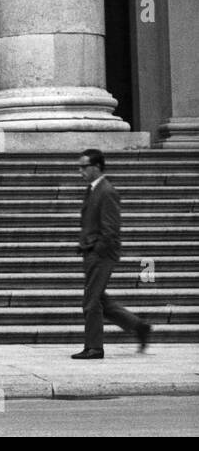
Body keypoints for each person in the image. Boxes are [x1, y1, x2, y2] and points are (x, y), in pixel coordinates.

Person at [72, 148, 151, 359]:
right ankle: (139, 326)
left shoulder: (107, 191)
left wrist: (97, 250)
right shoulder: (93, 189)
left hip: (101, 255)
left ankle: (94, 347)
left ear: (97, 167)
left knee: (91, 301)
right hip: (92, 252)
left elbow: (110, 229)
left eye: (84, 166)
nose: (80, 171)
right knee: (100, 300)